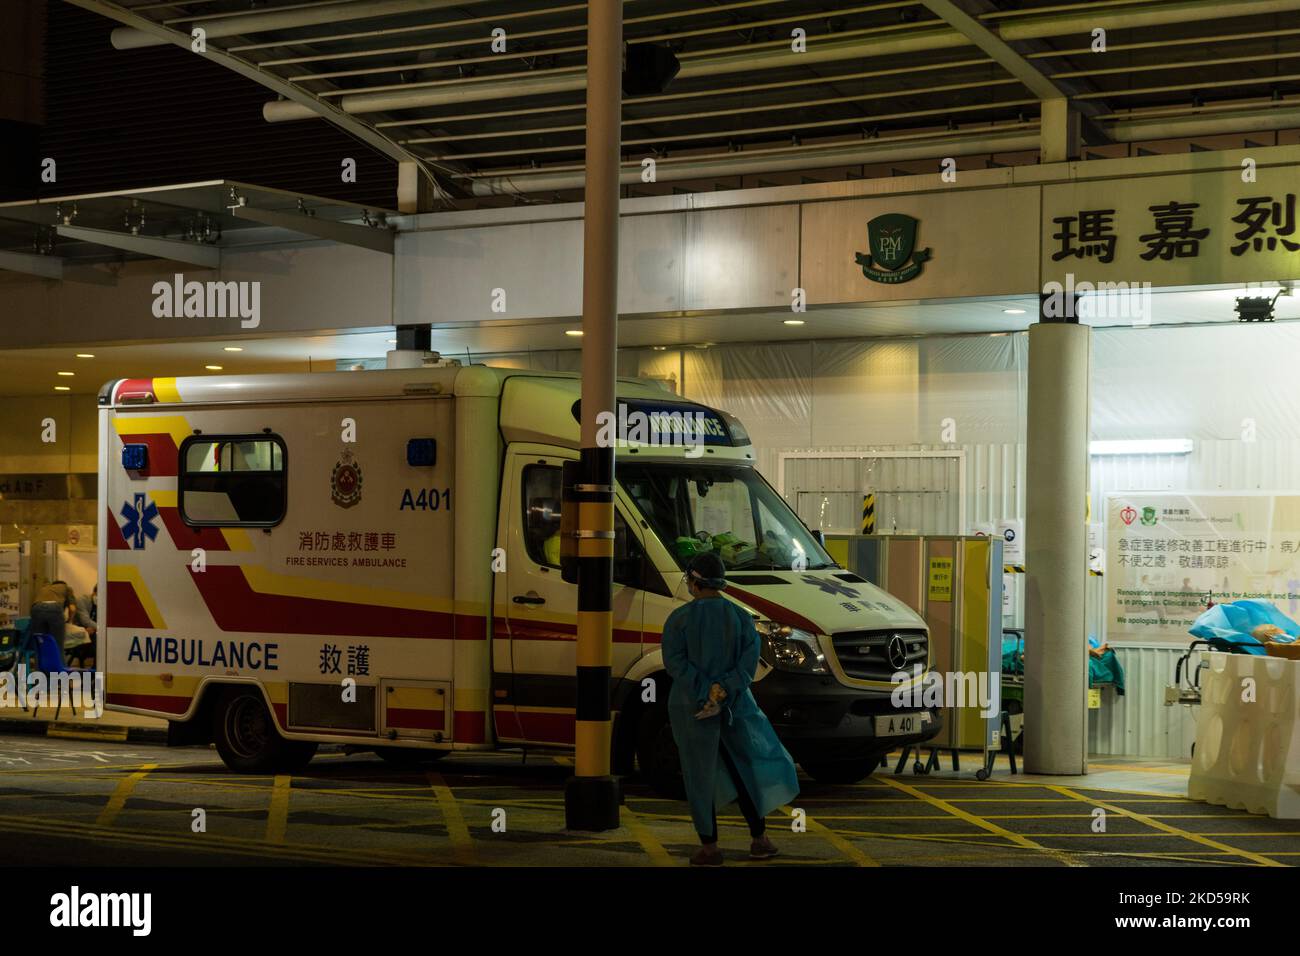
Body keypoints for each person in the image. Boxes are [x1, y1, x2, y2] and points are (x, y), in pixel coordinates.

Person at [662, 551, 800, 866]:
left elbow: (675, 664)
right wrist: (723, 691)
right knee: (746, 770)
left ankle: (709, 848)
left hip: (692, 709)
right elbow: (746, 666)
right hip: (736, 707)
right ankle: (759, 839)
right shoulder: (740, 618)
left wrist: (705, 691)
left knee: (700, 775)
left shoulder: (678, 620)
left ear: (694, 582)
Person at [30, 579, 75, 656]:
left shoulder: (44, 588)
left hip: (36, 609)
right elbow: (72, 609)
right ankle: (59, 667)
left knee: (39, 646)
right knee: (58, 646)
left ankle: (40, 667)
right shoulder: (67, 588)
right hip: (54, 608)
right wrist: (70, 621)